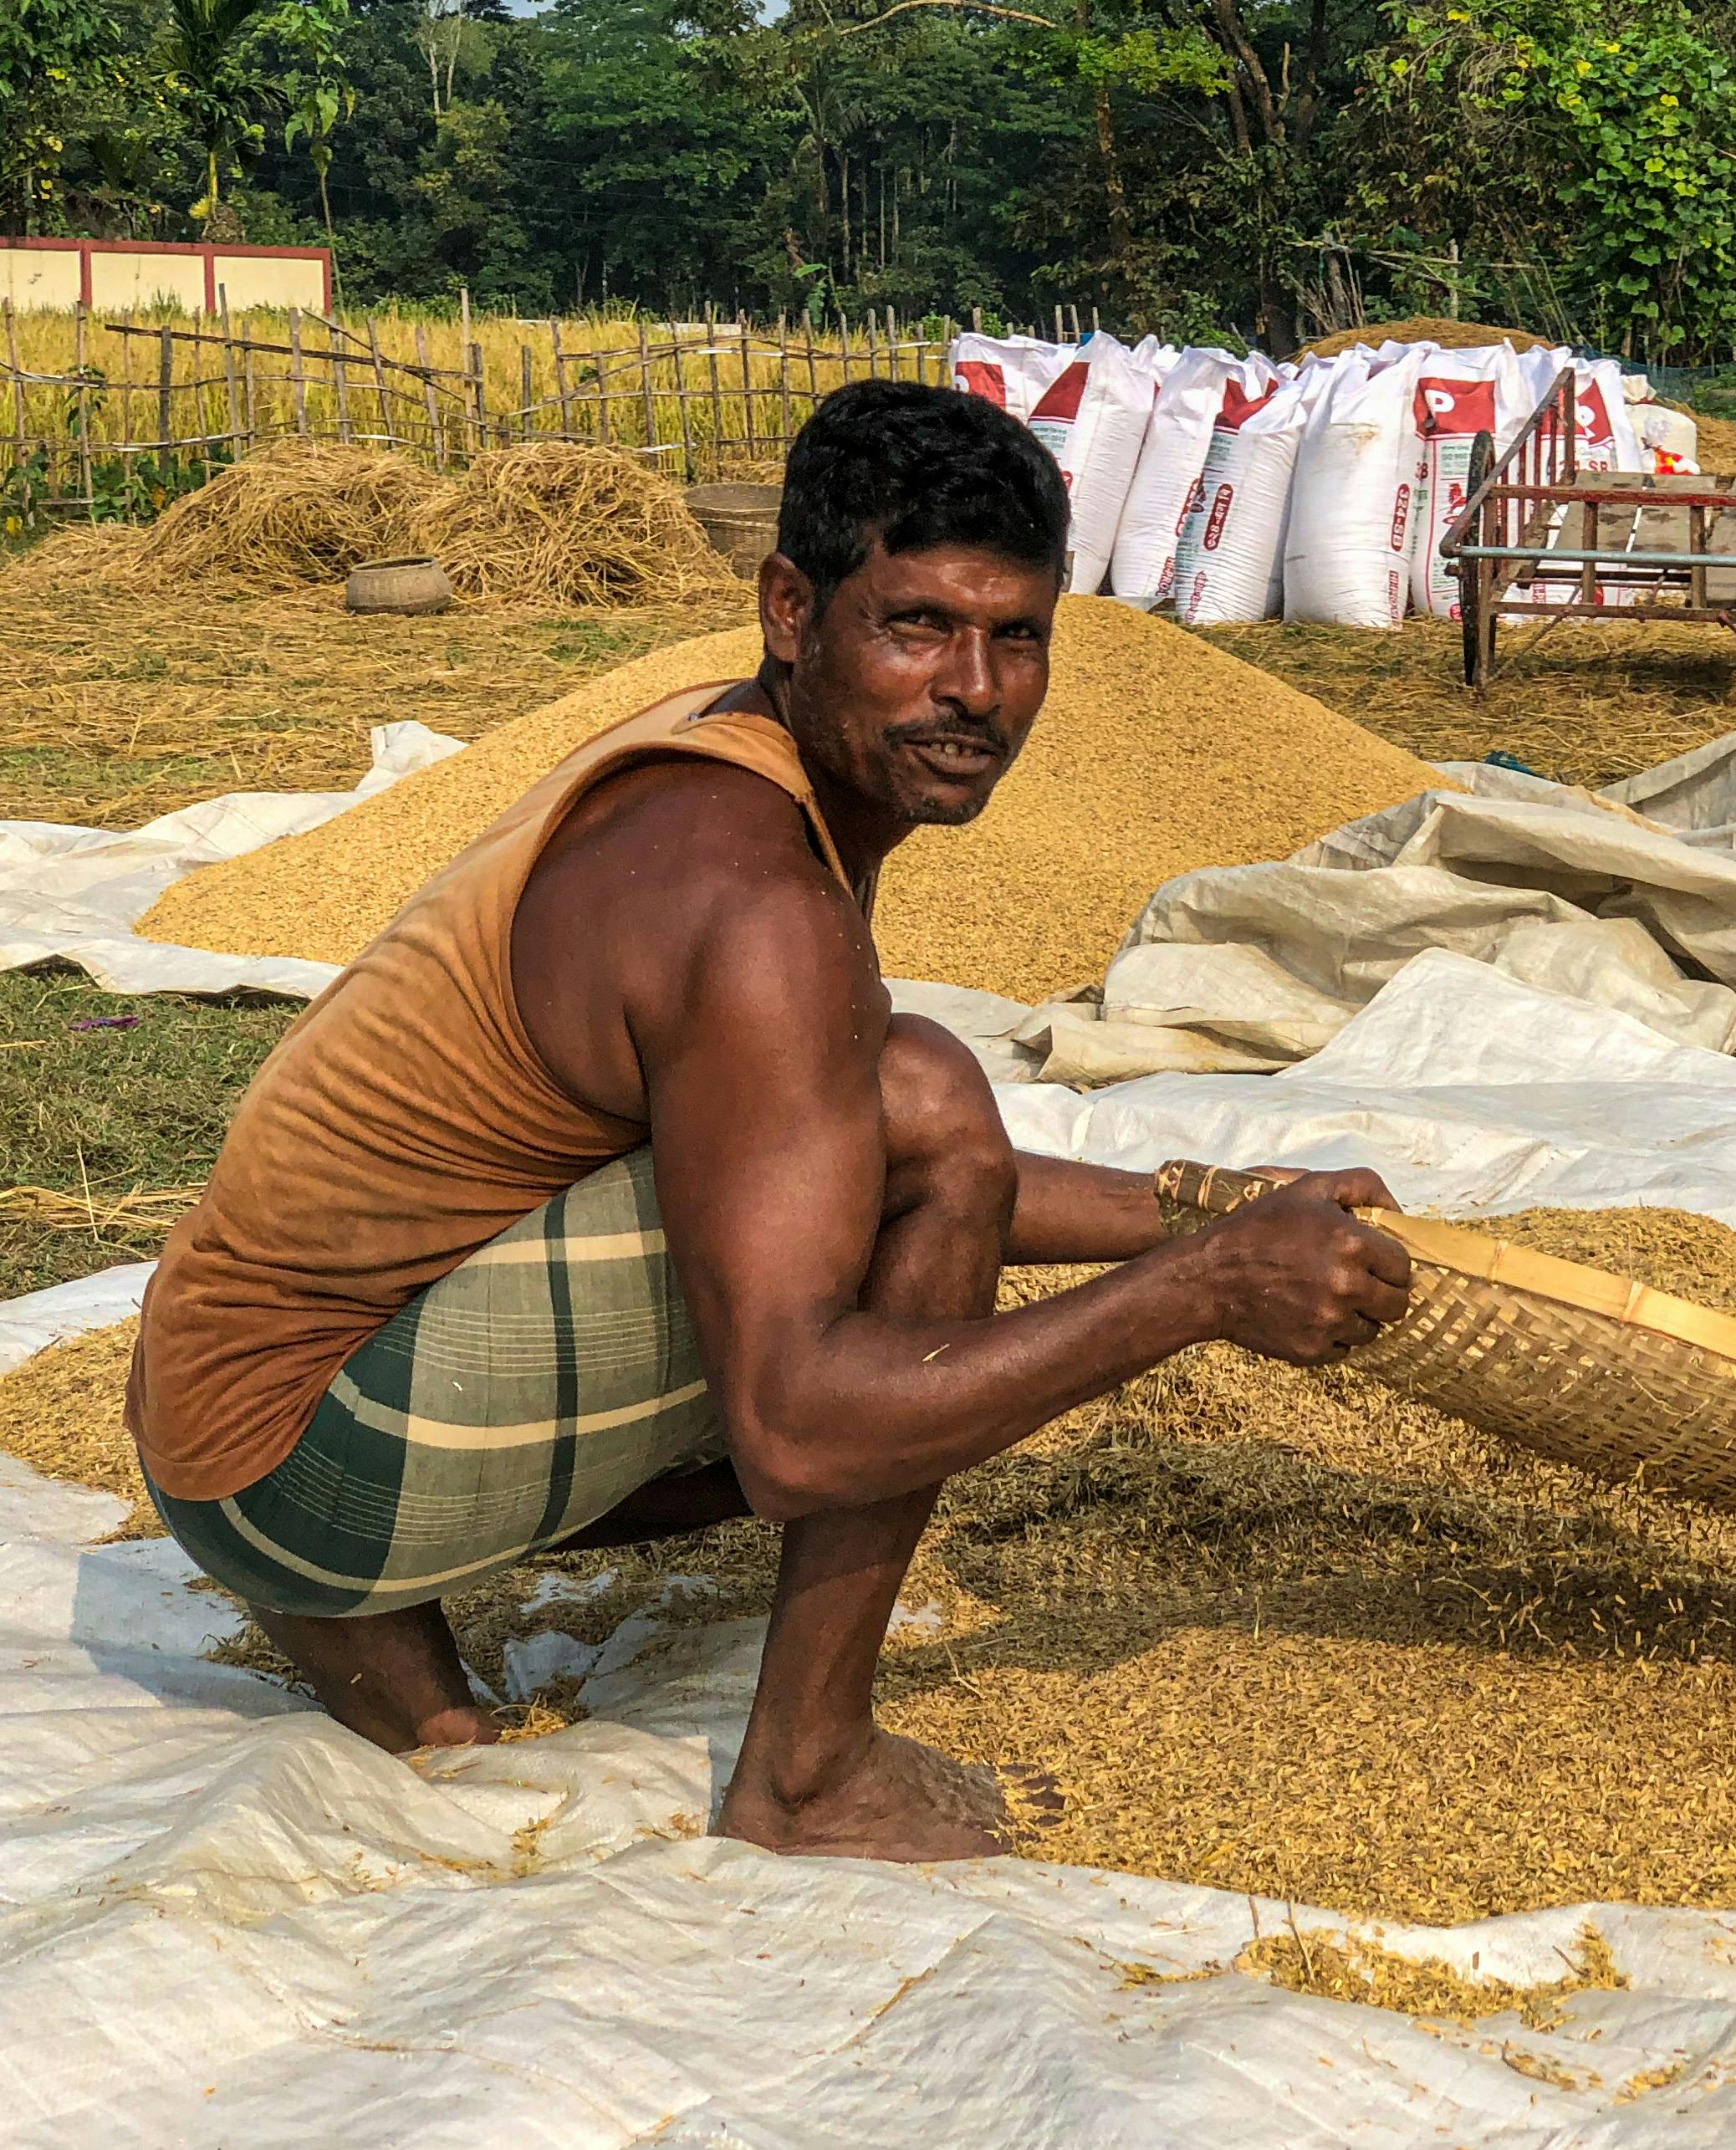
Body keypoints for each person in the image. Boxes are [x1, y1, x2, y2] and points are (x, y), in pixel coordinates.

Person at [125, 379, 1412, 1862]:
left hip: (222, 1411)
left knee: (888, 1127)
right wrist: (1205, 1287)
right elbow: (801, 1430)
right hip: (297, 1462)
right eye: (917, 626)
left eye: (1018, 637)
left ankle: (367, 1612)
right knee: (923, 1109)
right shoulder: (746, 897)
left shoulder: (735, 754)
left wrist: (1204, 1206)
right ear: (791, 610)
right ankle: (809, 1774)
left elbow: (814, 1151)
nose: (975, 689)